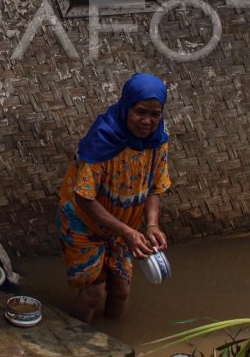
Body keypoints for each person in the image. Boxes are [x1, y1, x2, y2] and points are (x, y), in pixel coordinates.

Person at [57, 73, 171, 322]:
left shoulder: (157, 141)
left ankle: (116, 341)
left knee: (121, 290)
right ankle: (75, 346)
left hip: (123, 228)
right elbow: (84, 197)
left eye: (155, 114)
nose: (147, 121)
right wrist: (127, 233)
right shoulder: (103, 140)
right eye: (140, 112)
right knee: (93, 293)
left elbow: (156, 186)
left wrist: (151, 224)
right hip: (84, 223)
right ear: (126, 106)